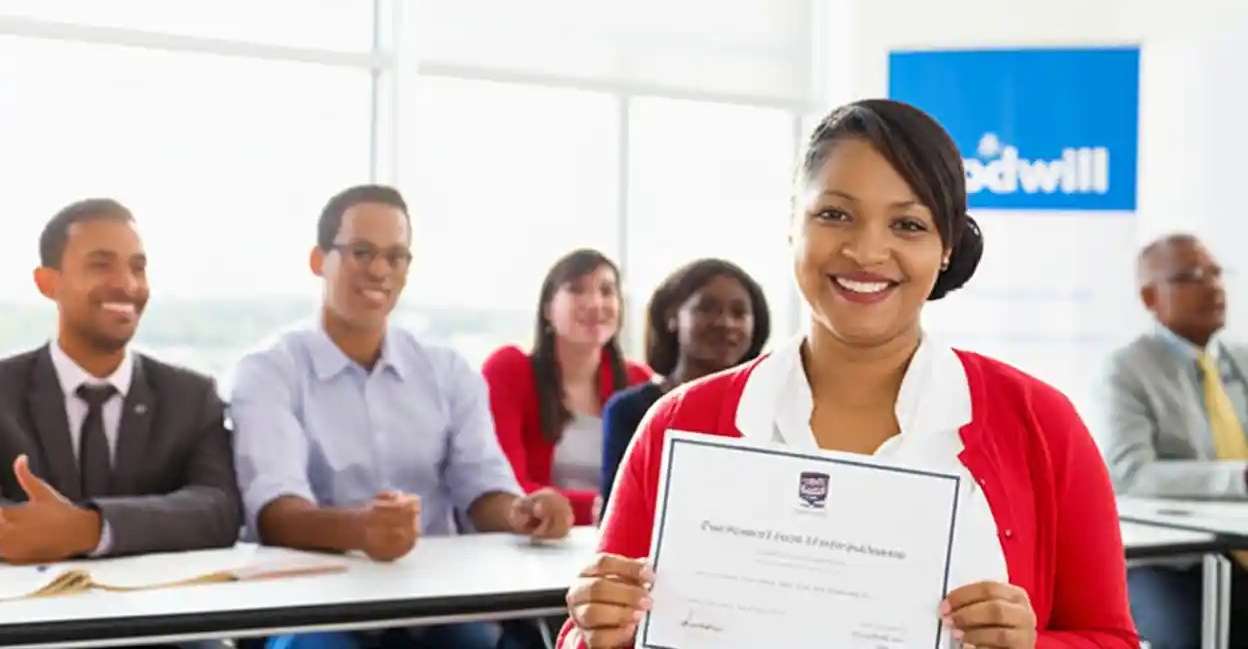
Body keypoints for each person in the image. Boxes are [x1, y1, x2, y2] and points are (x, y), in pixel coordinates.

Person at [560, 99, 1138, 649]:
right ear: (793, 226)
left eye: (908, 225)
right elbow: (591, 633)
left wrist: (1029, 644)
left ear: (945, 247)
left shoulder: (1041, 423)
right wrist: (598, 629)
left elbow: (1112, 637)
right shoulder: (682, 422)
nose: (866, 251)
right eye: (835, 214)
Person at [229, 184, 574, 649]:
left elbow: (482, 486)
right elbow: (274, 513)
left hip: (434, 607)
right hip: (317, 608)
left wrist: (522, 513)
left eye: (395, 257)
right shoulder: (269, 370)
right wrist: (359, 530)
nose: (379, 270)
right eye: (361, 252)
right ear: (318, 260)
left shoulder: (447, 370)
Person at [0, 198, 241, 563]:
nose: (126, 284)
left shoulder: (191, 397)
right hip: (24, 614)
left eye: (138, 268)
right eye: (100, 265)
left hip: (155, 615)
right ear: (48, 283)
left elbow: (217, 509)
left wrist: (90, 528)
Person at [1096, 233, 1248, 647]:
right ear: (1150, 297)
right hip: (1171, 562)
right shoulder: (1126, 369)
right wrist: (1239, 480)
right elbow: (1128, 474)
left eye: (1216, 274)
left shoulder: (1240, 359)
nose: (1213, 286)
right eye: (1191, 277)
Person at [482, 249, 653, 527]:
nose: (596, 303)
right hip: (532, 539)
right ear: (548, 309)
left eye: (607, 291)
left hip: (613, 544)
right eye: (576, 290)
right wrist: (608, 507)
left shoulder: (638, 382)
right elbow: (507, 486)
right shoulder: (509, 370)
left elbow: (652, 491)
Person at [599, 258, 770, 509]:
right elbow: (616, 516)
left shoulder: (768, 412)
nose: (725, 323)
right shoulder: (630, 411)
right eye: (706, 308)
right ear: (671, 317)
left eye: (739, 312)